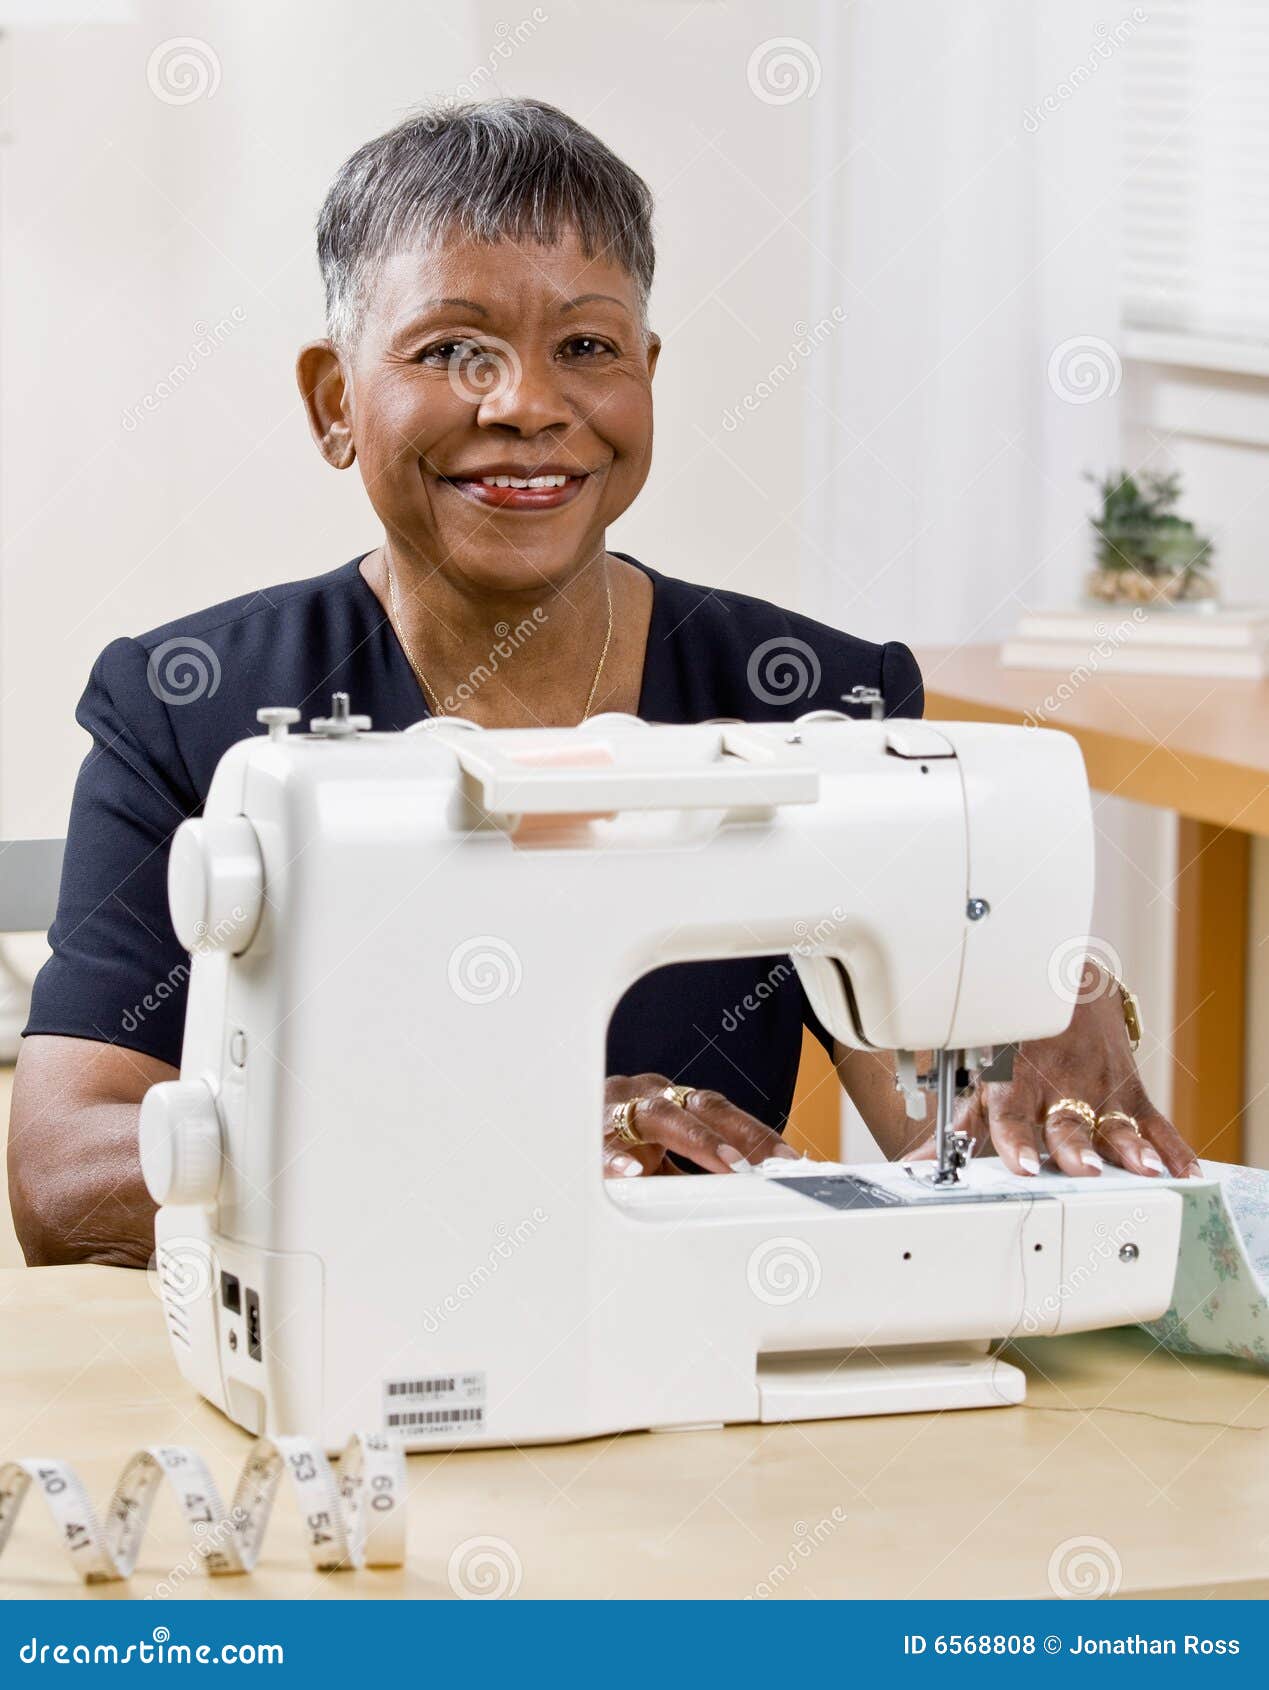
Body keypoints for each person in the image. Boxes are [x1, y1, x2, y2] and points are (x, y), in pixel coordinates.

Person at [7, 98, 1199, 1269]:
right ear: (335, 402)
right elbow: (61, 1170)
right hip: (339, 1380)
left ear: (646, 377)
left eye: (587, 347)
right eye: (452, 350)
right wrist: (486, 1152)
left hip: (708, 1386)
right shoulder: (187, 704)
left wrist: (1049, 1008)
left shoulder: (815, 697)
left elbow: (943, 1132)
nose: (529, 405)